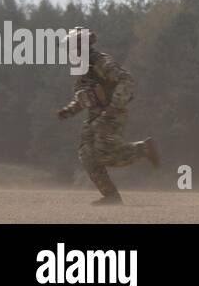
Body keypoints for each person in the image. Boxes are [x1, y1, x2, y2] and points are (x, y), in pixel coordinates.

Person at [56, 28, 159, 205]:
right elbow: (84, 96)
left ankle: (143, 149)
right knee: (86, 155)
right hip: (95, 116)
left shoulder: (101, 62)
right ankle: (111, 196)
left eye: (72, 48)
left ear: (82, 47)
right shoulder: (83, 68)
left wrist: (113, 107)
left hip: (111, 114)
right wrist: (69, 110)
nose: (70, 53)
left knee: (105, 154)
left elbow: (126, 80)